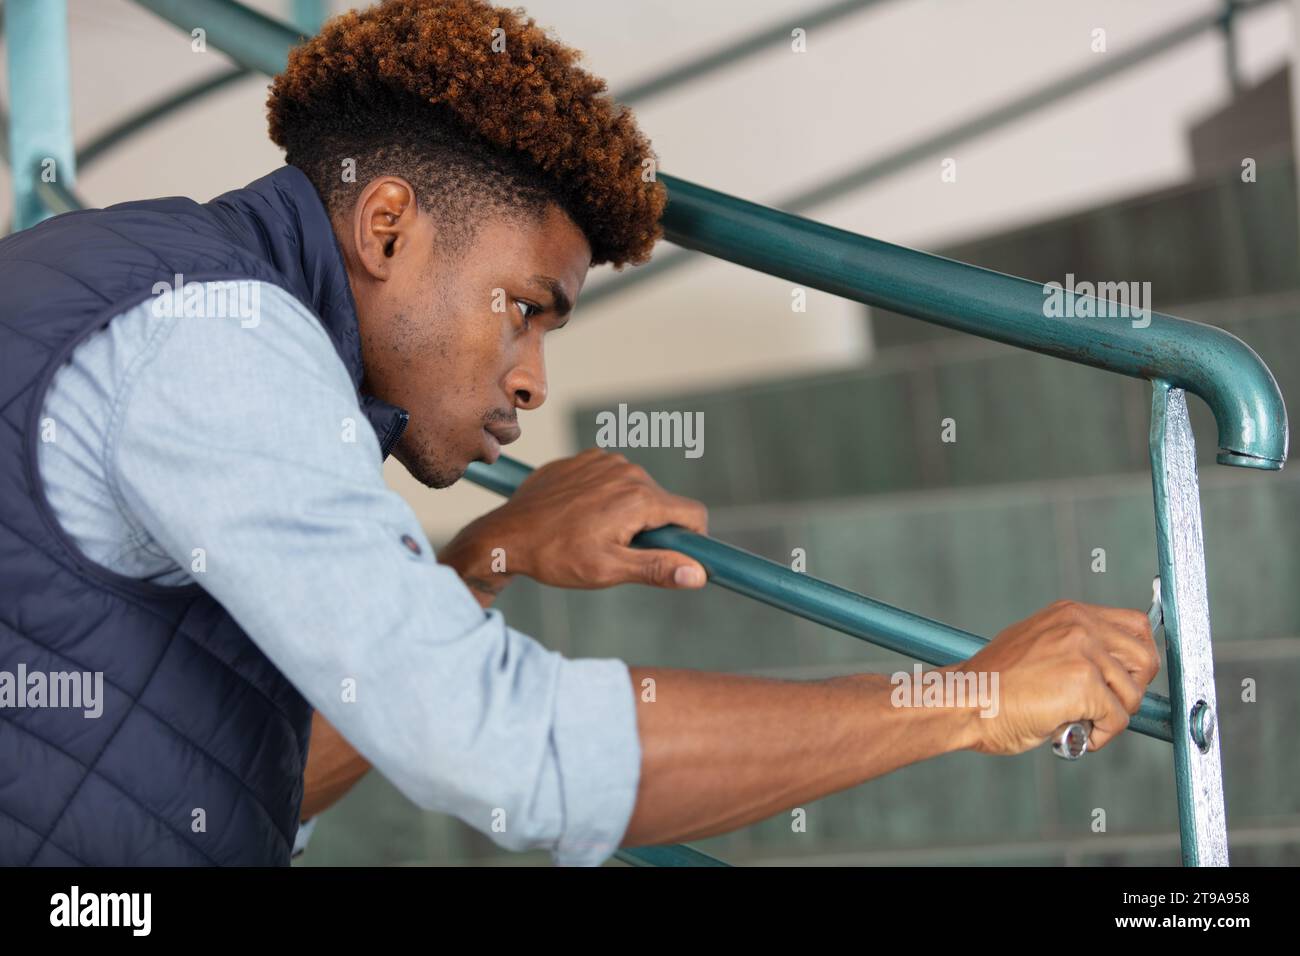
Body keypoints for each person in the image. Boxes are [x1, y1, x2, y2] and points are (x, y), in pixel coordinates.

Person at [0, 0, 1159, 866]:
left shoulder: (169, 293)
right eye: (526, 310)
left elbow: (235, 777)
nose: (533, 382)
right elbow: (505, 745)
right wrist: (966, 701)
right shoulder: (214, 339)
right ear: (388, 225)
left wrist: (482, 560)